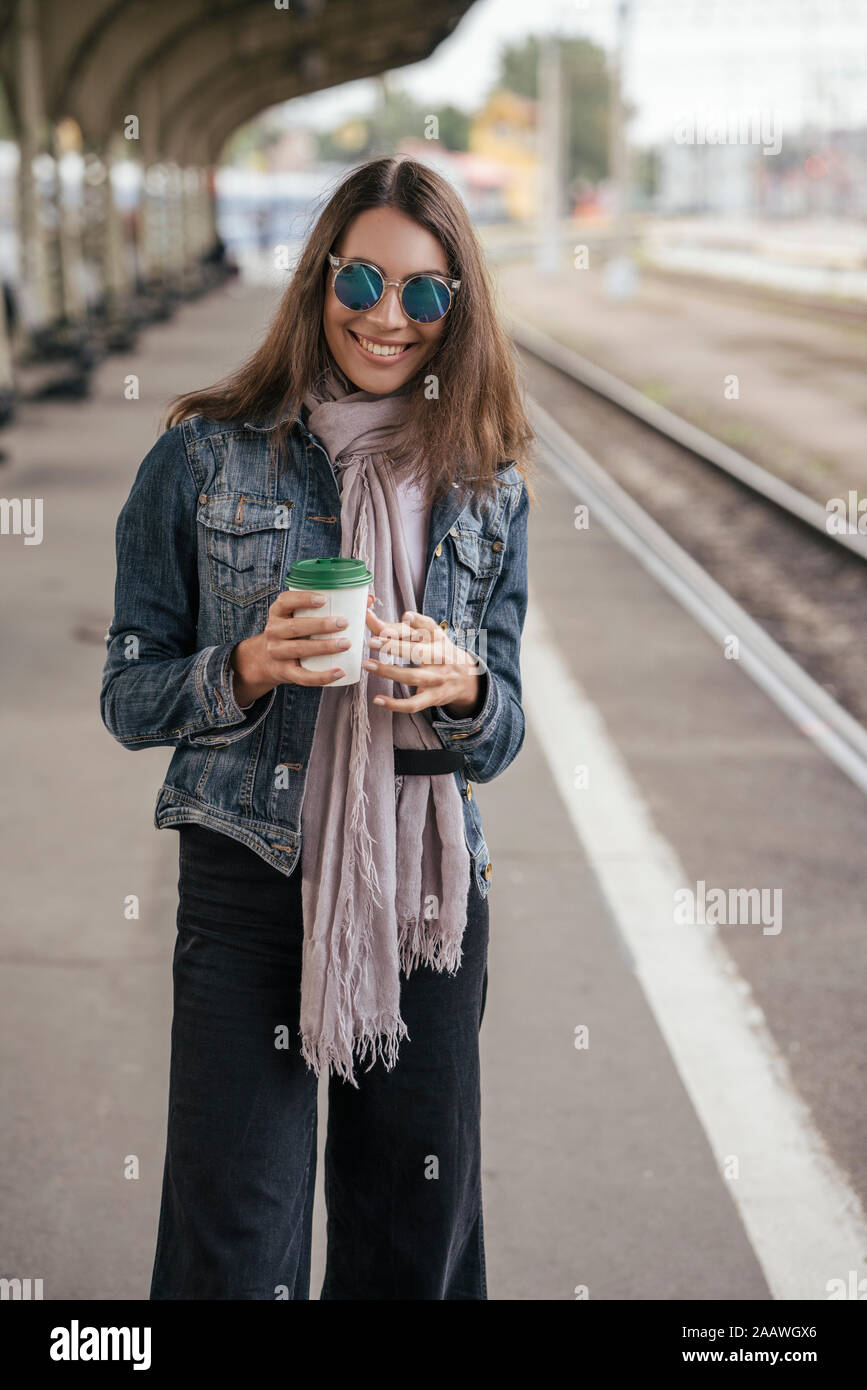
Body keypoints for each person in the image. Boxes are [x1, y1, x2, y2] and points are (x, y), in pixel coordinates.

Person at [100, 155, 535, 1300]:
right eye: (363, 282)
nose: (388, 318)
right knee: (234, 1244)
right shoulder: (202, 453)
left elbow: (505, 730)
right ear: (318, 280)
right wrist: (243, 667)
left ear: (458, 312)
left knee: (412, 1239)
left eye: (426, 294)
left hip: (428, 899)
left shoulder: (488, 486)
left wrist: (469, 692)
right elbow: (127, 692)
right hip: (249, 881)